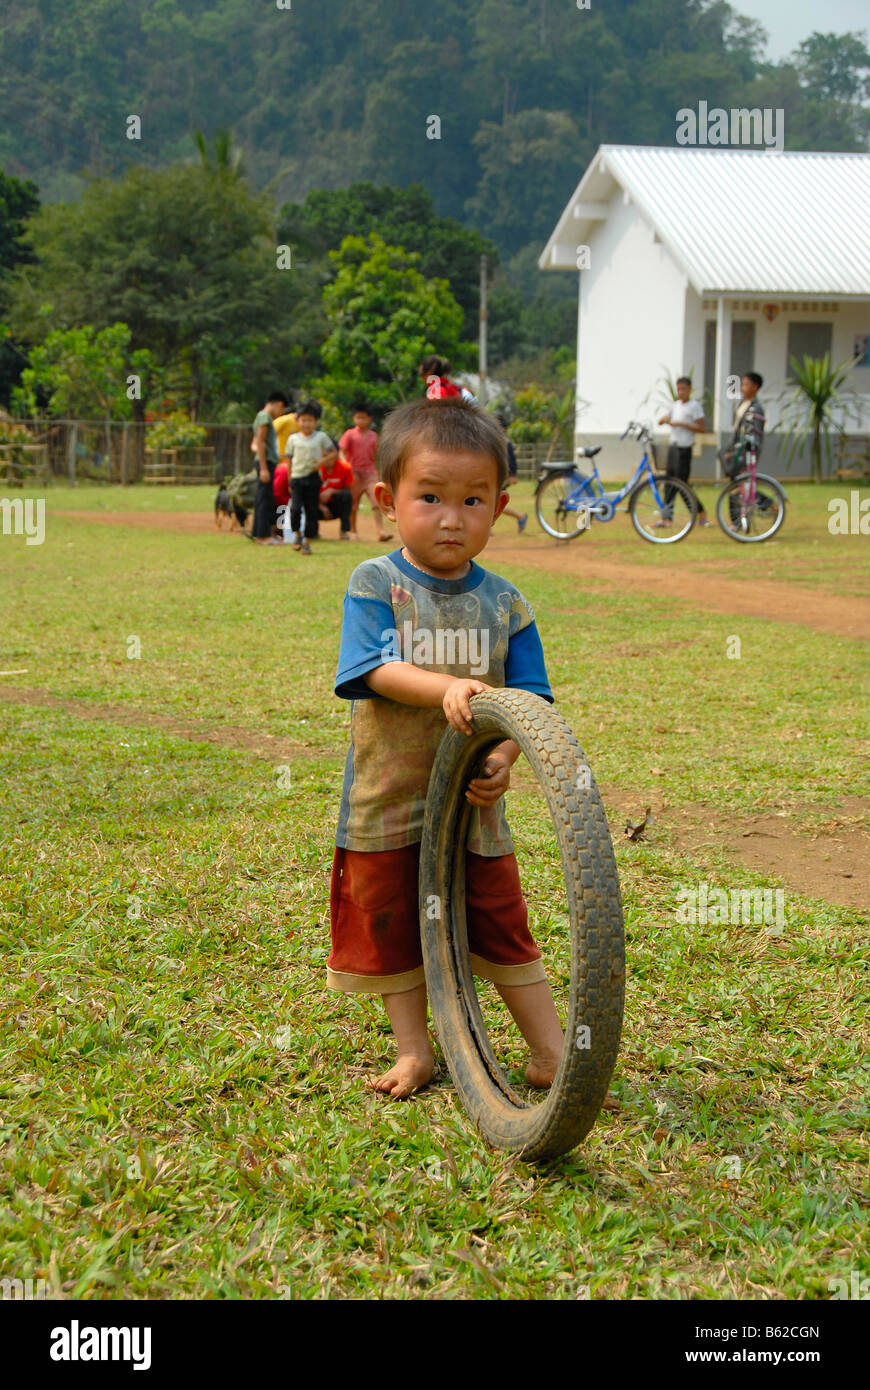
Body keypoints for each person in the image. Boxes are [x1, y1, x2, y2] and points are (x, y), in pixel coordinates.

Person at [330, 396, 563, 1099]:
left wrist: (503, 758)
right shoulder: (376, 585)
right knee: (392, 924)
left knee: (503, 922)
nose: (452, 517)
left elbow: (531, 698)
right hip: (388, 798)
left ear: (500, 506)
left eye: (473, 499)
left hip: (473, 803)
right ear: (386, 499)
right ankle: (414, 1051)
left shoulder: (508, 603)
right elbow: (369, 670)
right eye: (429, 497)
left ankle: (551, 1053)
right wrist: (447, 689)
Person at [284, 399, 337, 554]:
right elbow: (289, 460)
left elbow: (334, 452)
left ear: (315, 422)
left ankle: (307, 542)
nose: (306, 424)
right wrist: (289, 479)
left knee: (312, 511)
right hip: (297, 479)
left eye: (310, 420)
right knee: (295, 510)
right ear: (298, 421)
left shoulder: (321, 437)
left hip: (313, 479)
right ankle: (298, 535)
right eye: (303, 420)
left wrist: (322, 460)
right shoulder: (293, 439)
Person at [658, 376, 709, 526]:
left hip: (684, 449)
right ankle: (666, 518)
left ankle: (701, 513)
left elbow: (702, 428)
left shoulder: (694, 406)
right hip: (673, 448)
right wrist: (664, 420)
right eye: (678, 389)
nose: (681, 392)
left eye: (683, 389)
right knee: (668, 484)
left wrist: (683, 424)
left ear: (690, 390)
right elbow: (666, 418)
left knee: (681, 485)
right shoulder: (675, 405)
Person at [339, 402, 392, 542]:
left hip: (370, 472)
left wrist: (381, 470)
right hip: (354, 472)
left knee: (376, 502)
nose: (360, 420)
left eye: (363, 418)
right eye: (358, 417)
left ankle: (381, 531)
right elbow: (342, 451)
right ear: (354, 419)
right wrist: (346, 464)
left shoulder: (373, 436)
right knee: (353, 504)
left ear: (369, 419)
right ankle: (353, 530)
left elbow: (379, 455)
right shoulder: (349, 434)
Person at [251, 390, 289, 542]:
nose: (280, 414)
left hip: (268, 460)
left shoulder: (262, 416)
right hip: (265, 463)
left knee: (263, 497)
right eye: (282, 410)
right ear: (278, 404)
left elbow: (259, 443)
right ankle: (263, 536)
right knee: (264, 498)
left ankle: (259, 533)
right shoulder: (265, 416)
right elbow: (260, 441)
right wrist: (264, 468)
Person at [494, 415, 527, 532]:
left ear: (503, 428)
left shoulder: (504, 441)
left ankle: (520, 516)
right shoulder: (495, 439)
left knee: (494, 501)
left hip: (503, 476)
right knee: (493, 501)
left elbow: (512, 459)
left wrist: (513, 474)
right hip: (497, 475)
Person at [318, 452, 353, 538]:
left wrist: (332, 491)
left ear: (335, 456)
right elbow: (308, 493)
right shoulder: (316, 469)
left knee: (347, 495)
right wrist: (321, 506)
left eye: (328, 456)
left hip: (335, 506)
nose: (326, 460)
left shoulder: (345, 468)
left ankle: (344, 531)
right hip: (317, 505)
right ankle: (312, 531)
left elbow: (349, 491)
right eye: (323, 456)